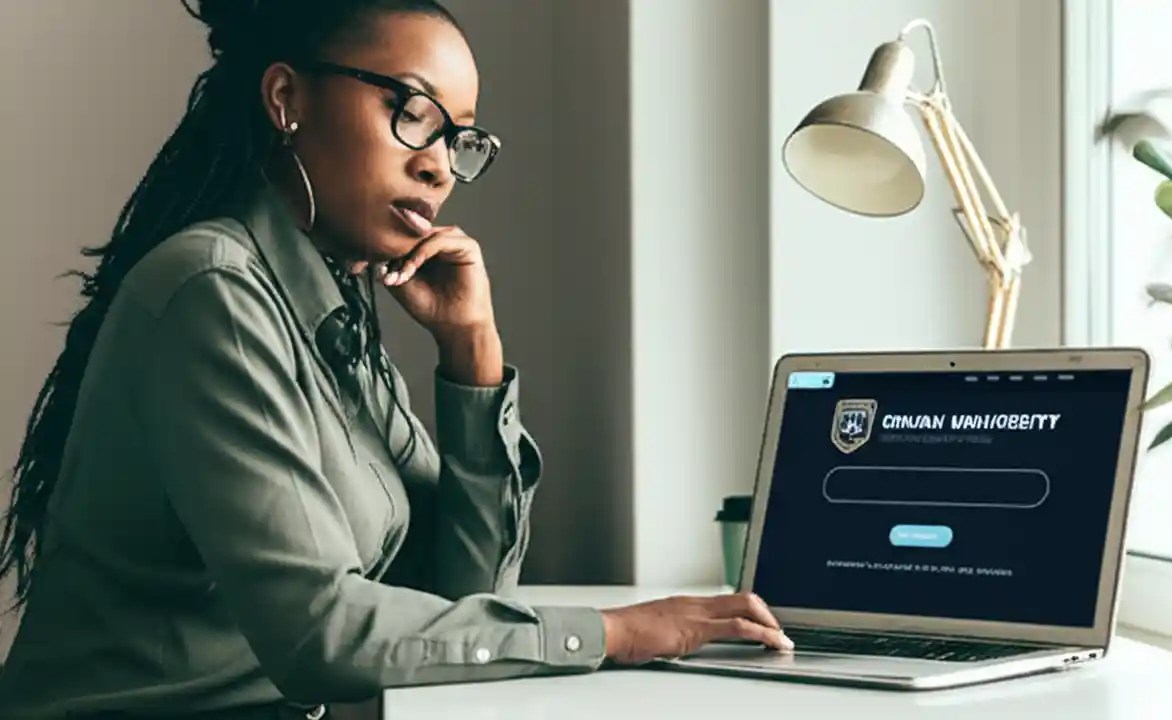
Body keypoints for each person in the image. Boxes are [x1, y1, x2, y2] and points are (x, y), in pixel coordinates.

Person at [0, 1, 792, 717]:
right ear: (287, 101)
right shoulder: (215, 293)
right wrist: (616, 632)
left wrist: (472, 357)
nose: (439, 164)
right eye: (413, 114)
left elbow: (465, 595)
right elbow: (324, 635)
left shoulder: (335, 316)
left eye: (459, 137)